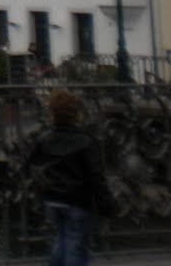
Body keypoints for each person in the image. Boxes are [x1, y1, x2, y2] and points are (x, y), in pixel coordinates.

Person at [27, 89, 113, 265]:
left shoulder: (44, 139)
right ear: (77, 115)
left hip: (53, 198)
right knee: (76, 245)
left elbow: (32, 164)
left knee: (60, 241)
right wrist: (106, 203)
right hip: (79, 200)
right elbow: (96, 176)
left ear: (52, 115)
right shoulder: (86, 141)